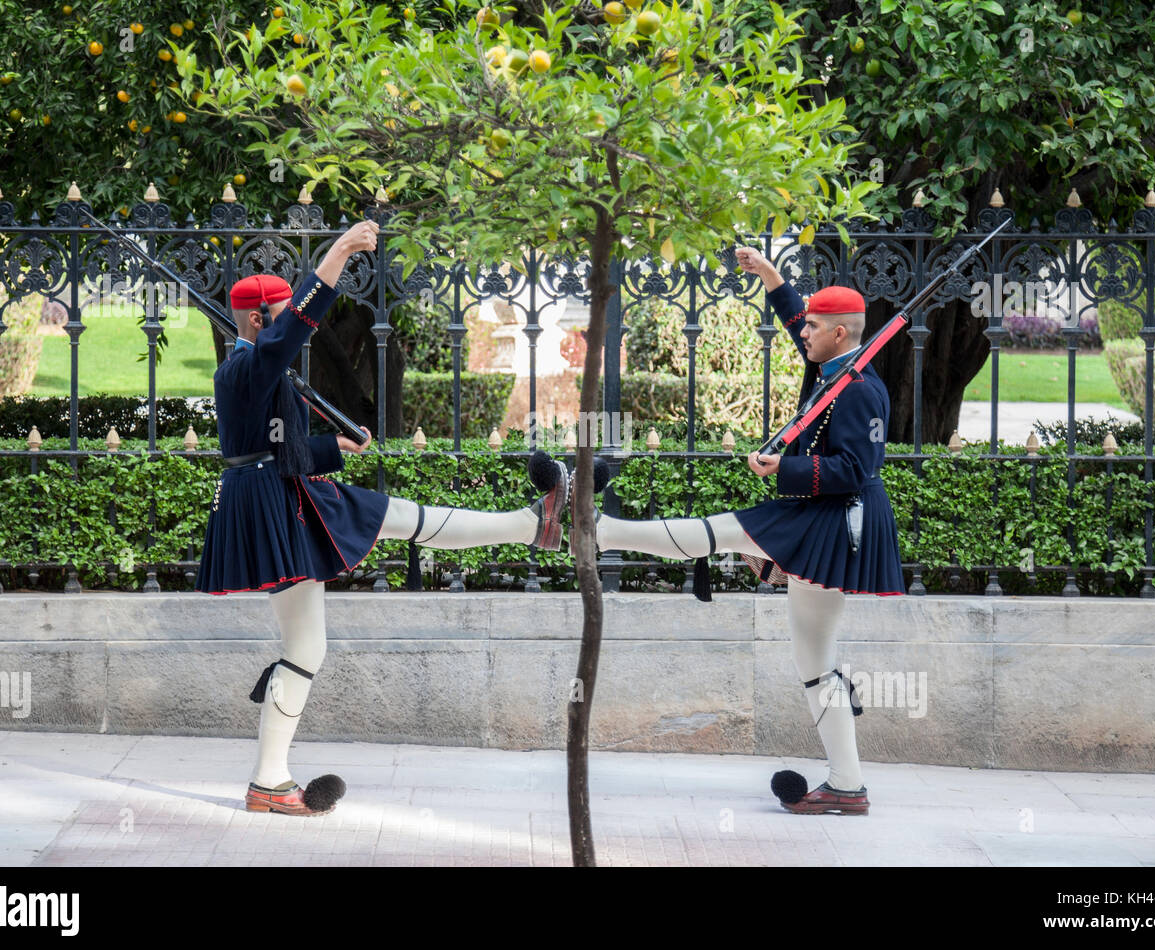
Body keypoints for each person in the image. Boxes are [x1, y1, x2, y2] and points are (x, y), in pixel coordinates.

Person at [195, 219, 571, 815]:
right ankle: (267, 782)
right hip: (275, 506)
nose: (292, 321)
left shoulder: (247, 367)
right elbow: (295, 333)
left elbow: (266, 443)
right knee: (308, 642)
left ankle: (532, 523)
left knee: (399, 523)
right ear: (260, 321)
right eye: (282, 313)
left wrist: (333, 448)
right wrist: (340, 250)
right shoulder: (251, 363)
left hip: (283, 491)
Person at [575, 246, 905, 815]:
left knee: (723, 532)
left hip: (835, 520)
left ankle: (601, 531)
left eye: (816, 328)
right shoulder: (831, 365)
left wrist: (787, 468)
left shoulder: (861, 388)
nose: (804, 334)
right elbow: (794, 316)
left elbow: (859, 469)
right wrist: (771, 275)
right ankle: (847, 786)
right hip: (818, 515)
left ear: (843, 334)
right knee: (814, 661)